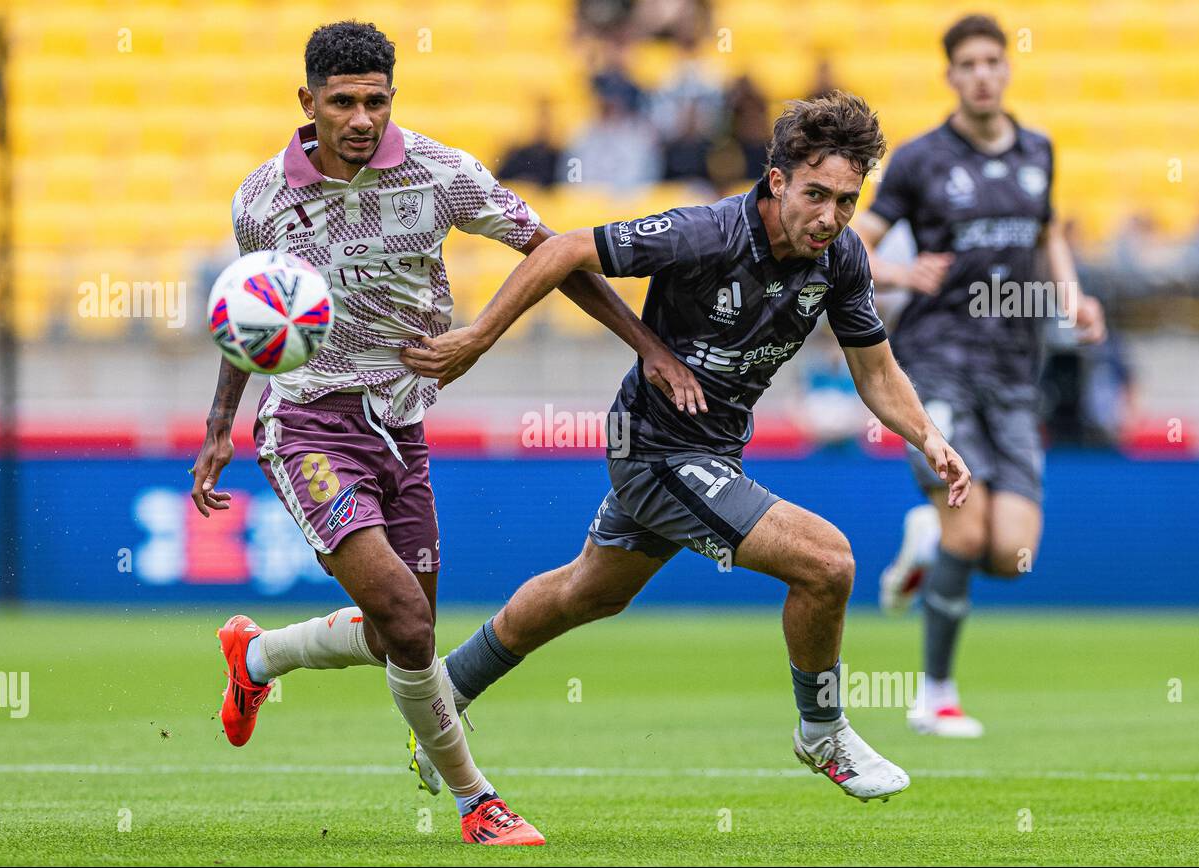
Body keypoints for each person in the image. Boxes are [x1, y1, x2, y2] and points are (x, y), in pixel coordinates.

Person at [187, 20, 703, 845]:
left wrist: (650, 350)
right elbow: (255, 314)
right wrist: (221, 424)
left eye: (377, 102)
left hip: (402, 424)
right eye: (344, 102)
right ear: (308, 102)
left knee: (405, 632)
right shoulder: (262, 200)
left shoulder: (440, 173)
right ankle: (477, 801)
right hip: (306, 422)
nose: (362, 119)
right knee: (411, 623)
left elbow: (555, 252)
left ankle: (257, 660)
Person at [402, 92, 972, 804]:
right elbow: (567, 248)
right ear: (777, 182)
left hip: (709, 453)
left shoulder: (842, 257)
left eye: (848, 201)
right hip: (653, 447)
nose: (830, 216)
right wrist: (480, 337)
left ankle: (444, 696)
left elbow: (876, 369)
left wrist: (929, 435)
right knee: (827, 564)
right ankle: (822, 731)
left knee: (587, 593)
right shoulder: (706, 232)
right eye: (816, 194)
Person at [853, 14, 1105, 737]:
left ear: (1007, 68)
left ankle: (924, 539)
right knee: (969, 537)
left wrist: (1072, 297)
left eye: (994, 60)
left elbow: (1049, 230)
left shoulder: (1038, 150)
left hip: (1015, 372)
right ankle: (934, 694)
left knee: (1011, 554)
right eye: (969, 63)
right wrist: (902, 270)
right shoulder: (921, 160)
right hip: (937, 365)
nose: (984, 73)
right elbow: (853, 246)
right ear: (951, 76)